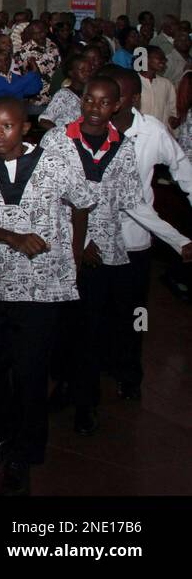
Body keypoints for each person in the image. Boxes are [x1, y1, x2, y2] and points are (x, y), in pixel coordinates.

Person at [0, 97, 92, 496]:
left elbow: (81, 203)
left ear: (25, 128)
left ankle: (24, 455)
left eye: (6, 126)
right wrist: (9, 236)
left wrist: (74, 255)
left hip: (42, 288)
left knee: (30, 372)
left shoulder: (54, 162)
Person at [40, 76, 182, 436]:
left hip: (104, 255)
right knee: (61, 330)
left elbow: (134, 202)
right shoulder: (57, 139)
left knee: (91, 331)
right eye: (89, 100)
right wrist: (77, 240)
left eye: (103, 103)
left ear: (116, 107)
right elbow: (43, 196)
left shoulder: (123, 149)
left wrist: (179, 241)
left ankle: (86, 405)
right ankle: (66, 387)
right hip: (63, 251)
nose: (94, 108)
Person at [97, 65, 192, 398]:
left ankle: (129, 374)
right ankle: (88, 373)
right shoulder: (93, 130)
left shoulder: (151, 131)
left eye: (117, 96)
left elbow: (182, 170)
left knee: (133, 311)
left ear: (133, 98)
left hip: (135, 240)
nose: (108, 102)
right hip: (93, 241)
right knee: (93, 312)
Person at [39, 52, 93, 131]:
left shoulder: (91, 95)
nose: (87, 73)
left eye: (89, 70)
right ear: (71, 73)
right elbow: (44, 121)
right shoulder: (63, 95)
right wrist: (64, 135)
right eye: (82, 70)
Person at [137, 46, 177, 128]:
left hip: (160, 134)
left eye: (164, 59)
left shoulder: (166, 84)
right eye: (159, 58)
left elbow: (173, 110)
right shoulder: (134, 81)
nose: (163, 61)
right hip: (139, 133)